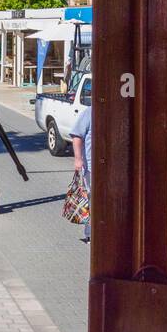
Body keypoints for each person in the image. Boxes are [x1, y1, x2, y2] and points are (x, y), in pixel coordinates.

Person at [70, 103, 93, 244]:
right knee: (92, 200)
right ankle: (91, 234)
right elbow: (77, 136)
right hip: (90, 166)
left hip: (110, 168)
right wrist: (78, 159)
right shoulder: (90, 112)